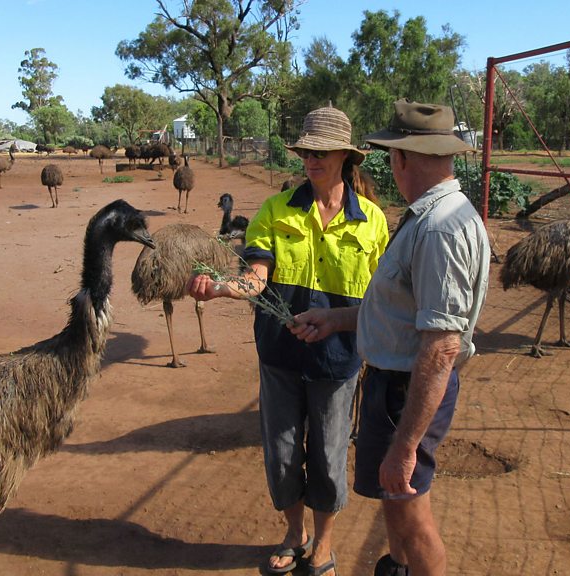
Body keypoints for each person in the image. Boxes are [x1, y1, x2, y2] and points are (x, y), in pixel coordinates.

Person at [289, 99, 491, 576]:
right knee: (397, 505)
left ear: (401, 158)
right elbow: (404, 314)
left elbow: (440, 347)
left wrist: (404, 446)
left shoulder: (440, 229)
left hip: (408, 389)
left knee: (410, 512)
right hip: (397, 384)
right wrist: (338, 319)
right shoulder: (432, 216)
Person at [188, 105, 388, 576]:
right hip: (279, 354)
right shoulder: (276, 210)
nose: (311, 159)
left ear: (345, 156)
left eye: (322, 152)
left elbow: (380, 303)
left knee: (328, 454)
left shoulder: (373, 222)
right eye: (305, 151)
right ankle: (294, 533)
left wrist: (338, 322)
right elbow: (256, 279)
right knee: (280, 454)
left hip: (338, 361)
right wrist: (220, 287)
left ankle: (324, 544)